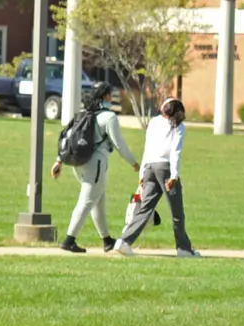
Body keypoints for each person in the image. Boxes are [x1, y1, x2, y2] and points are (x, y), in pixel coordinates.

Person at [51, 86, 137, 254]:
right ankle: (69, 240)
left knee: (98, 201)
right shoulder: (109, 117)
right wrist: (134, 163)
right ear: (105, 96)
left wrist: (58, 161)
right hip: (95, 165)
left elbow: (70, 137)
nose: (111, 99)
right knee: (86, 202)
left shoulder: (83, 114)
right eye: (110, 96)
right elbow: (119, 144)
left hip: (79, 164)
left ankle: (107, 240)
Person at [114, 96, 199, 257]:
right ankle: (184, 249)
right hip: (165, 169)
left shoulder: (154, 122)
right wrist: (174, 175)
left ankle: (124, 242)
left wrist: (142, 173)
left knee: (145, 208)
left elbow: (147, 148)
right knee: (177, 212)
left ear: (165, 109)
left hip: (149, 168)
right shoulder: (179, 127)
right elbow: (175, 152)